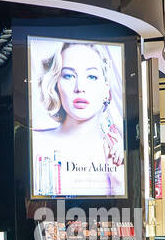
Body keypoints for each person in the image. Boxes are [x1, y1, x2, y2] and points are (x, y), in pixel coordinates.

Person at [33, 42, 125, 196]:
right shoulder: (34, 143)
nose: (80, 87)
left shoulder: (117, 152)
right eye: (69, 75)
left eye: (92, 76)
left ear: (106, 88)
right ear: (56, 84)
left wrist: (119, 184)